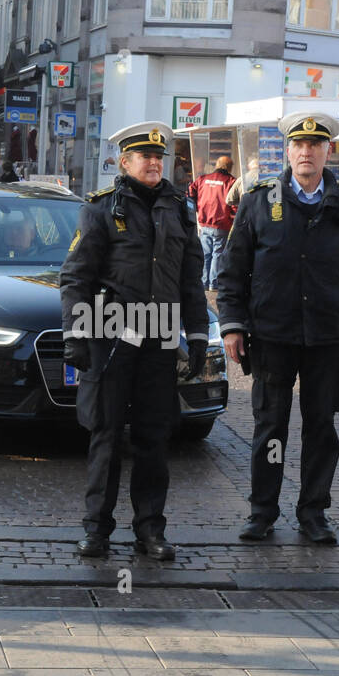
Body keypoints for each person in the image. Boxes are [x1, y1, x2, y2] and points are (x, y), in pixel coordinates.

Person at [217, 112, 339, 544]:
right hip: (271, 335)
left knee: (321, 428)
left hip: (325, 338)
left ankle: (313, 512)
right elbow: (233, 270)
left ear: (329, 152)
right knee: (271, 428)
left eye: (315, 145)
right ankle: (262, 511)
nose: (306, 152)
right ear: (287, 151)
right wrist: (232, 326)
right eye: (299, 145)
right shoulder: (257, 202)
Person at [59, 121, 208, 561]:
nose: (154, 163)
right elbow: (75, 277)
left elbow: (191, 282)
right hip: (110, 337)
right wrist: (76, 336)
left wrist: (197, 337)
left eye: (159, 157)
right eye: (145, 157)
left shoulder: (181, 210)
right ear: (124, 163)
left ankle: (150, 530)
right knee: (105, 435)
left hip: (160, 338)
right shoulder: (102, 209)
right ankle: (96, 530)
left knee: (153, 438)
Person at [188, 154, 237, 290]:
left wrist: (197, 208)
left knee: (205, 254)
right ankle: (213, 284)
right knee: (218, 255)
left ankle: (203, 282)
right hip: (222, 224)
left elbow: (190, 193)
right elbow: (235, 205)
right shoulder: (231, 181)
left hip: (204, 223)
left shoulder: (203, 179)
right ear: (229, 167)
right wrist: (234, 219)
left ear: (217, 165)